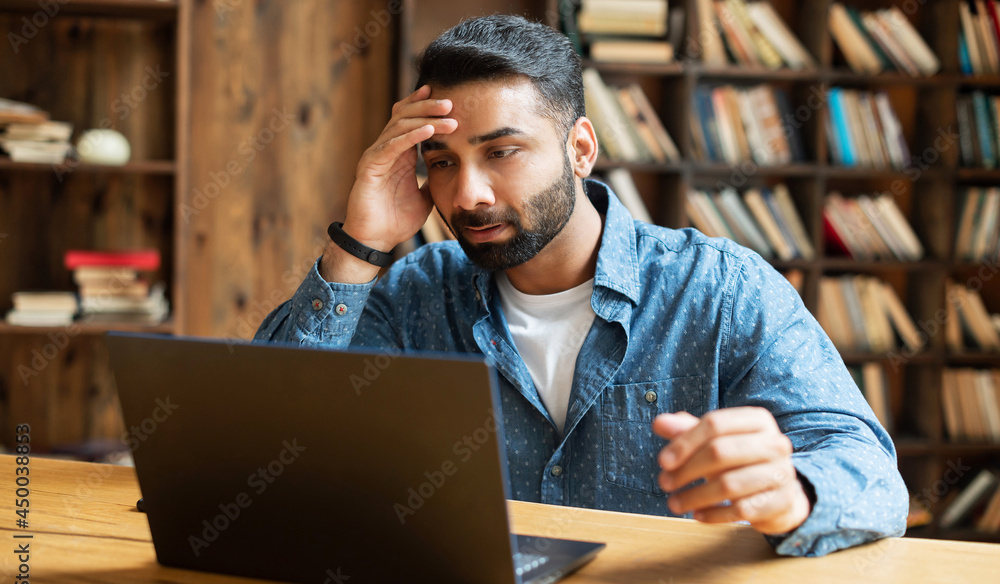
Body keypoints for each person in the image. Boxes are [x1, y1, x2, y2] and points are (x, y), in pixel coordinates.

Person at [254, 14, 908, 556]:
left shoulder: (719, 289)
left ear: (581, 149)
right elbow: (270, 438)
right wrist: (358, 244)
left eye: (502, 151)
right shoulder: (418, 291)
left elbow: (874, 480)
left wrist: (793, 493)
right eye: (442, 162)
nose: (468, 192)